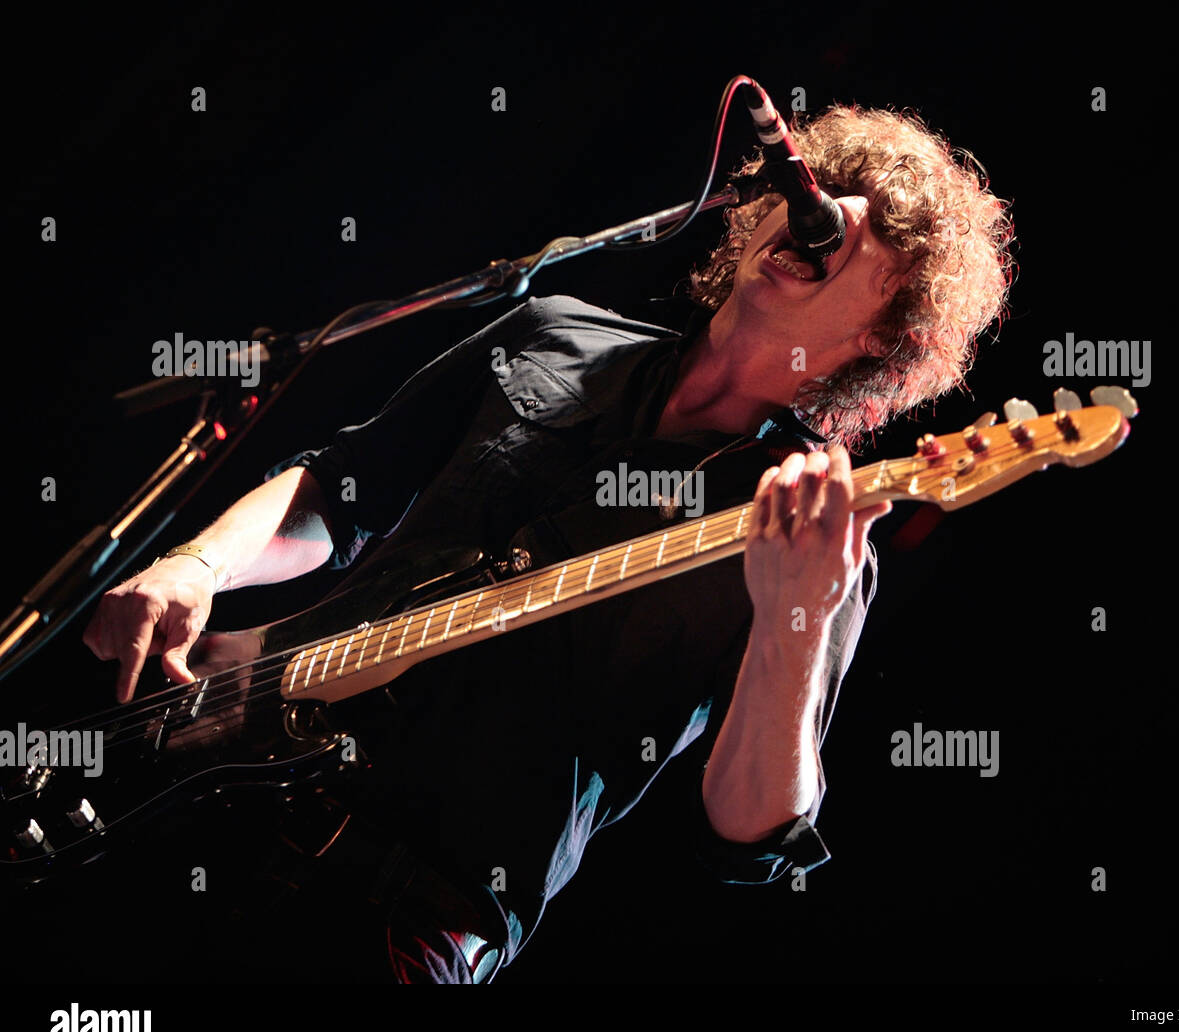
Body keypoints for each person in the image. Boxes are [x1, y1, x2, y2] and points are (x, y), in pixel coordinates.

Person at [82, 104, 1013, 982]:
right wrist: (196, 564)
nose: (835, 211)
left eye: (877, 230)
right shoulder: (551, 332)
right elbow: (340, 488)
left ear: (887, 338)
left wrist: (792, 621)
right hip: (196, 749)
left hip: (396, 908)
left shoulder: (814, 531)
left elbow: (750, 831)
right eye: (834, 188)